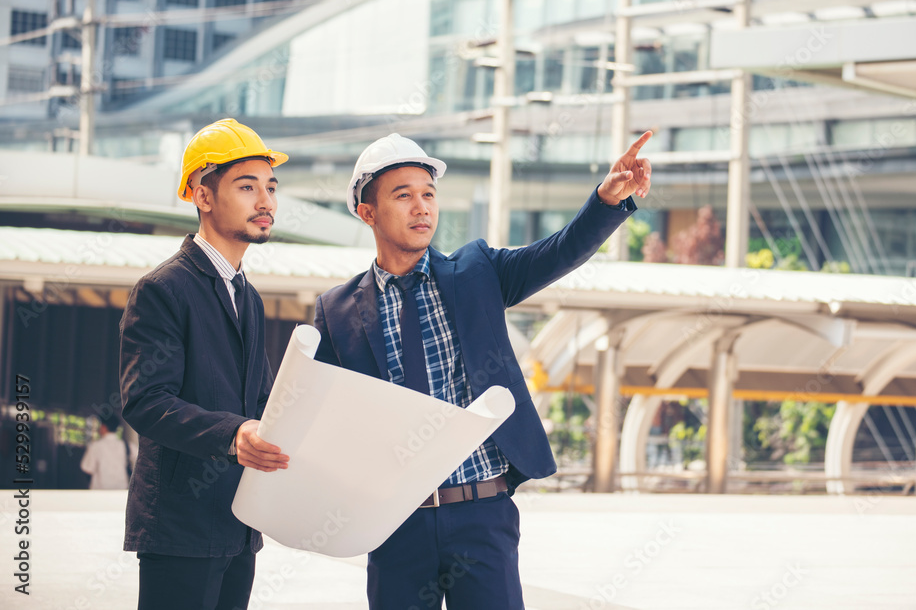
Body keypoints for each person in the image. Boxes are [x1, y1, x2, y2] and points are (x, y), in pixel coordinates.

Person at [313, 130, 652, 609]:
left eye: (428, 195)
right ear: (367, 212)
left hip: (482, 512)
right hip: (395, 523)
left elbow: (558, 251)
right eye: (403, 196)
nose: (421, 207)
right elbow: (326, 416)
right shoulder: (338, 310)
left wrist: (606, 201)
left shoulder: (475, 272)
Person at [119, 118, 291, 610]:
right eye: (246, 186)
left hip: (238, 525)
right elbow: (146, 402)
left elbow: (258, 399)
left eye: (270, 187)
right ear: (203, 195)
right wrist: (233, 435)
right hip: (179, 528)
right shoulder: (163, 290)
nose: (266, 201)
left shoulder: (248, 296)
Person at [80, 414, 130, 490]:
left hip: (100, 490)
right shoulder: (126, 446)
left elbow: (88, 469)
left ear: (103, 427)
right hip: (122, 490)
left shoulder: (95, 446)